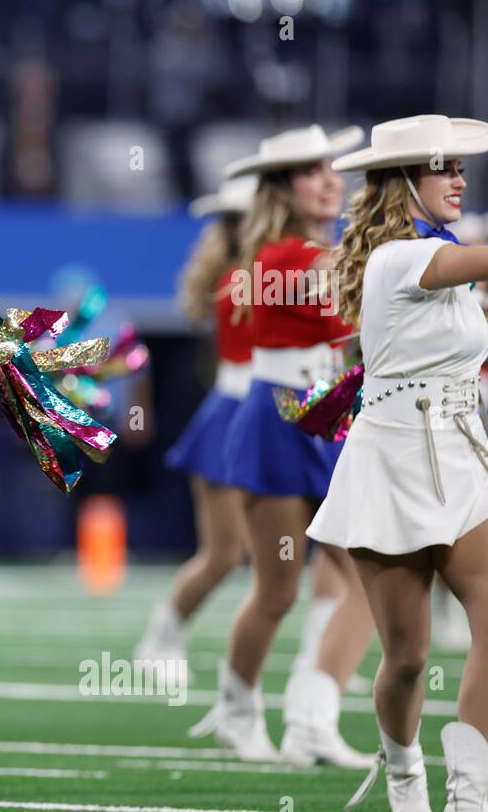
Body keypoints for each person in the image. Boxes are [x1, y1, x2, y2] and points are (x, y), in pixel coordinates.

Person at [312, 115, 488, 812]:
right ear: (405, 181)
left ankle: (472, 790)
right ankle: (404, 763)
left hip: (462, 455)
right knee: (409, 658)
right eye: (443, 168)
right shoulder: (393, 258)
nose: (460, 179)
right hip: (391, 461)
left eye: (459, 168)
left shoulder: (445, 256)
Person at [187, 125, 375, 766]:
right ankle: (238, 711)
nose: (332, 181)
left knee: (364, 578)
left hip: (323, 413)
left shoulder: (312, 252)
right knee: (277, 589)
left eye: (332, 169)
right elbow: (359, 293)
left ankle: (311, 716)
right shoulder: (280, 259)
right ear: (281, 189)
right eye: (311, 172)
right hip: (277, 419)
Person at [140, 176, 347, 681]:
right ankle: (162, 637)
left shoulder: (267, 268)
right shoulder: (251, 279)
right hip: (246, 414)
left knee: (327, 556)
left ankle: (321, 663)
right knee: (225, 558)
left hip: (285, 409)